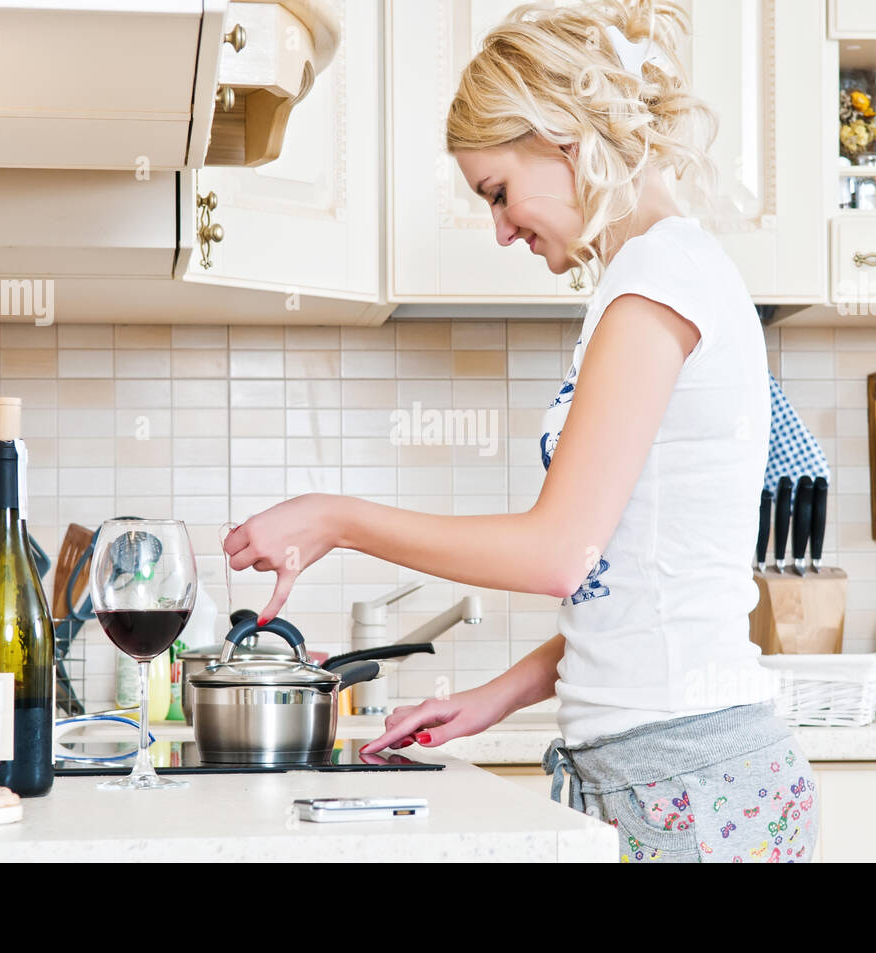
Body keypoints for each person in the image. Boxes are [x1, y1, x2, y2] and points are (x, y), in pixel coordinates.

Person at [221, 0, 818, 863]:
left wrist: (338, 518)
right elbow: (630, 587)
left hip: (691, 780)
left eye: (497, 192)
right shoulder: (649, 276)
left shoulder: (660, 277)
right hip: (668, 770)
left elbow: (555, 555)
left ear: (560, 137)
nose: (500, 228)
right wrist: (491, 698)